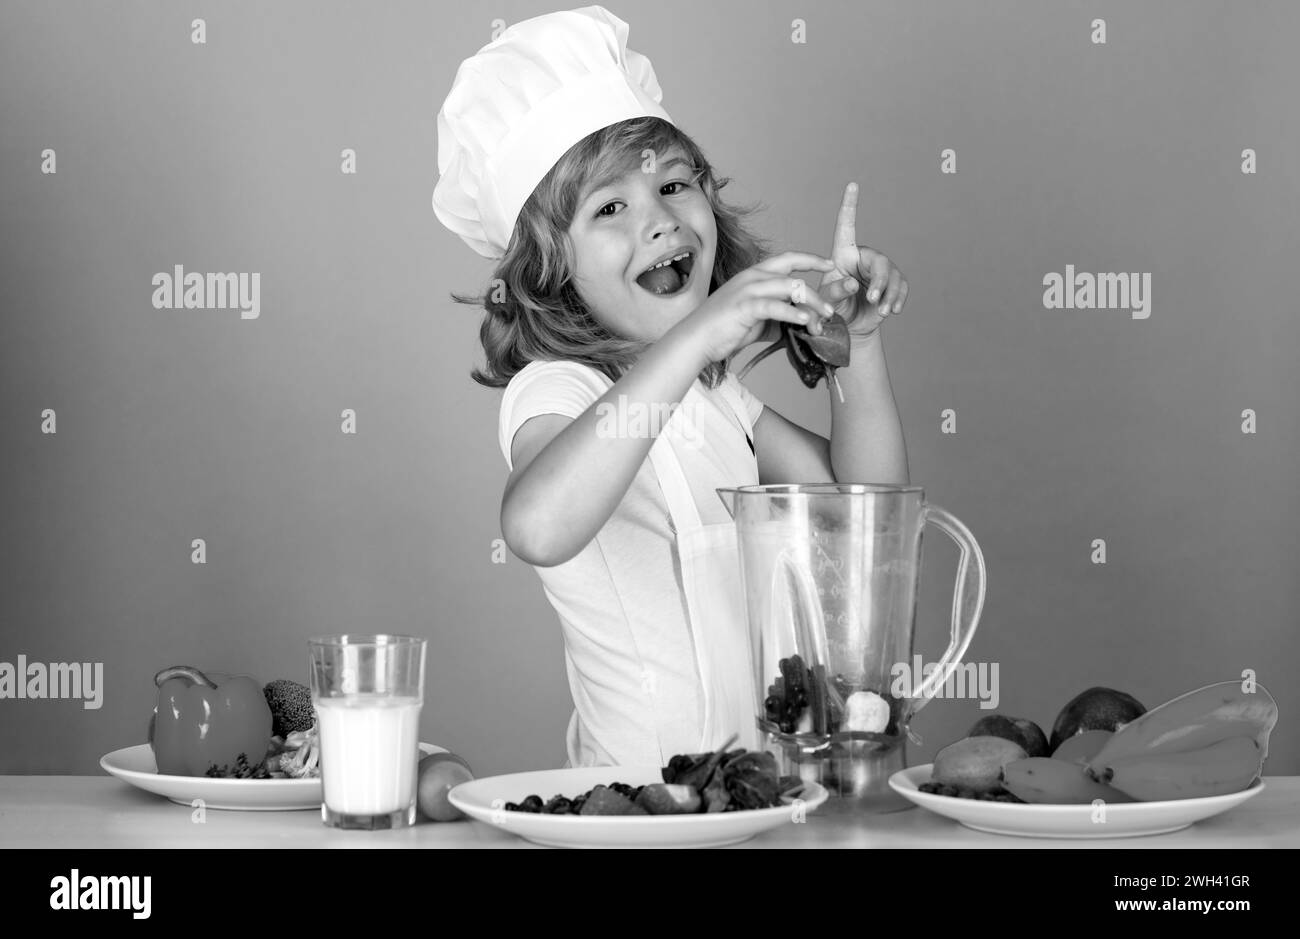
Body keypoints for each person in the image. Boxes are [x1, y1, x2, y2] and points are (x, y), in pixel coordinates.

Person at [433, 6, 909, 768]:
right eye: (610, 207)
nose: (660, 220)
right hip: (637, 817)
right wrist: (700, 335)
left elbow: (862, 512)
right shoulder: (558, 390)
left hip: (758, 803)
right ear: (550, 270)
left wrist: (860, 345)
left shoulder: (715, 400)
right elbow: (537, 526)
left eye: (675, 183)